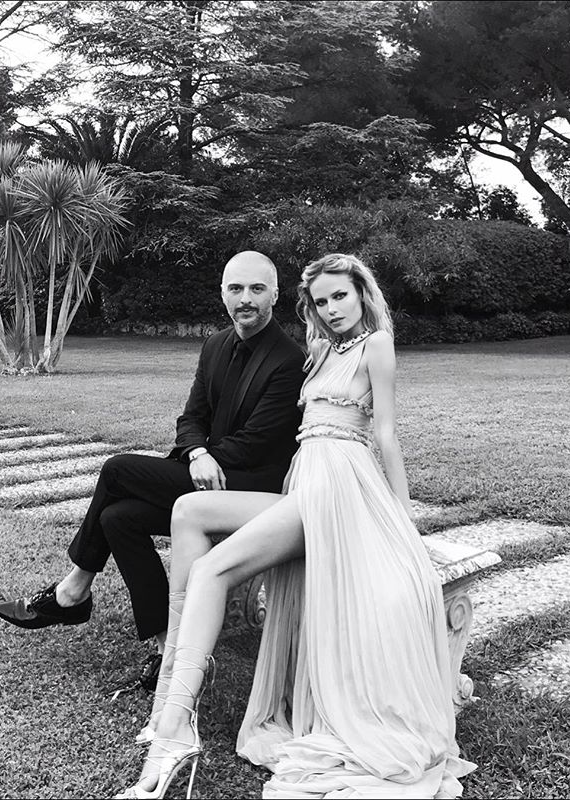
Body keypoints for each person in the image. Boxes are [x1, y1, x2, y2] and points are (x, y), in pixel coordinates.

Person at [115, 253, 476, 799]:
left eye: (341, 296)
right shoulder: (319, 350)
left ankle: (173, 726)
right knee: (188, 509)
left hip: (342, 487)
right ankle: (170, 694)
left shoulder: (377, 345)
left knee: (212, 569)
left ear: (362, 294)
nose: (332, 309)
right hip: (303, 484)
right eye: (322, 301)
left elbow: (386, 434)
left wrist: (404, 519)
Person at [0, 251, 305, 665]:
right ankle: (164, 648)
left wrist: (199, 460)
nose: (245, 298)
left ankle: (73, 591)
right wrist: (196, 452)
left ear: (275, 295)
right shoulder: (214, 345)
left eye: (256, 289)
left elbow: (255, 445)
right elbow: (191, 417)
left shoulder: (290, 360)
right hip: (205, 472)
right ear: (222, 294)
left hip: (251, 487)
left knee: (117, 469)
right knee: (117, 518)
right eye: (236, 288)